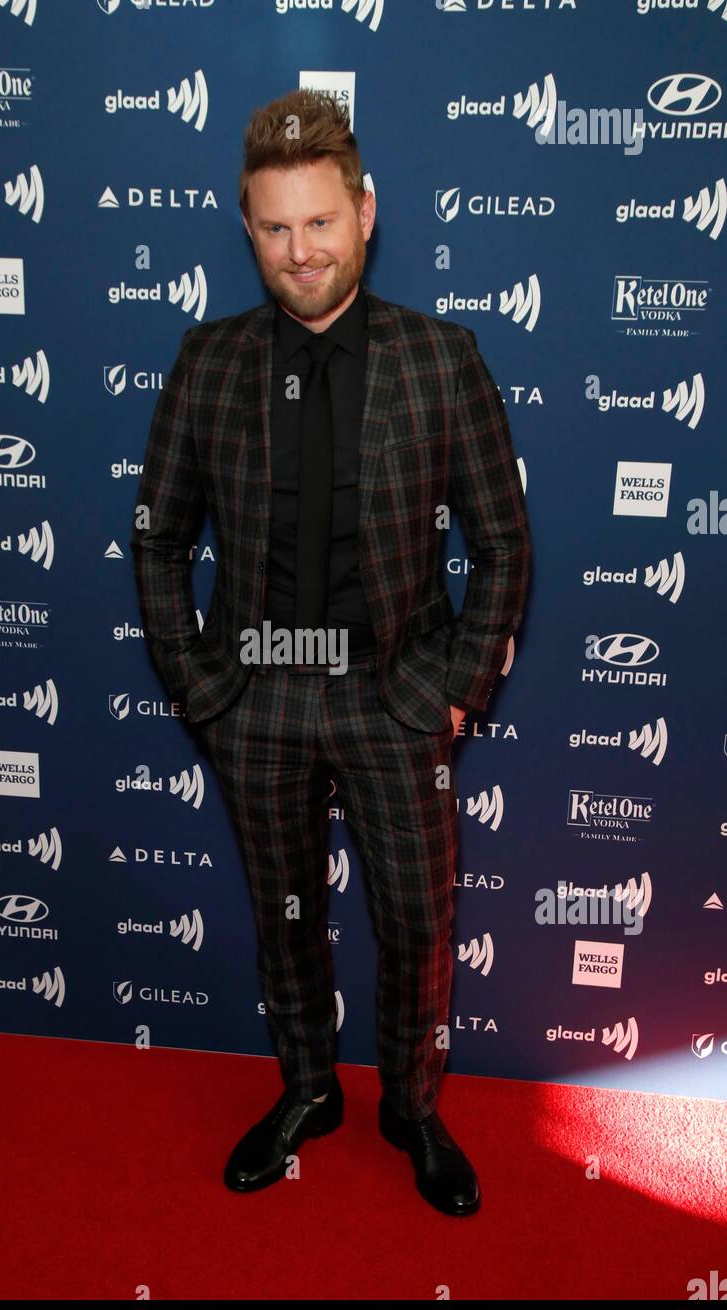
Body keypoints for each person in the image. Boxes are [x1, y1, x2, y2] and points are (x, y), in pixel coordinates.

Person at [130, 89, 532, 1216]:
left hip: (391, 694)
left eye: (319, 222)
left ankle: (409, 1103)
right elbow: (156, 539)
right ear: (246, 229)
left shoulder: (440, 357)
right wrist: (205, 693)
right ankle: (307, 1086)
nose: (299, 252)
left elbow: (501, 544)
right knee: (285, 912)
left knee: (415, 922)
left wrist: (450, 693)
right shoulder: (207, 361)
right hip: (255, 697)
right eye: (274, 228)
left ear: (364, 212)